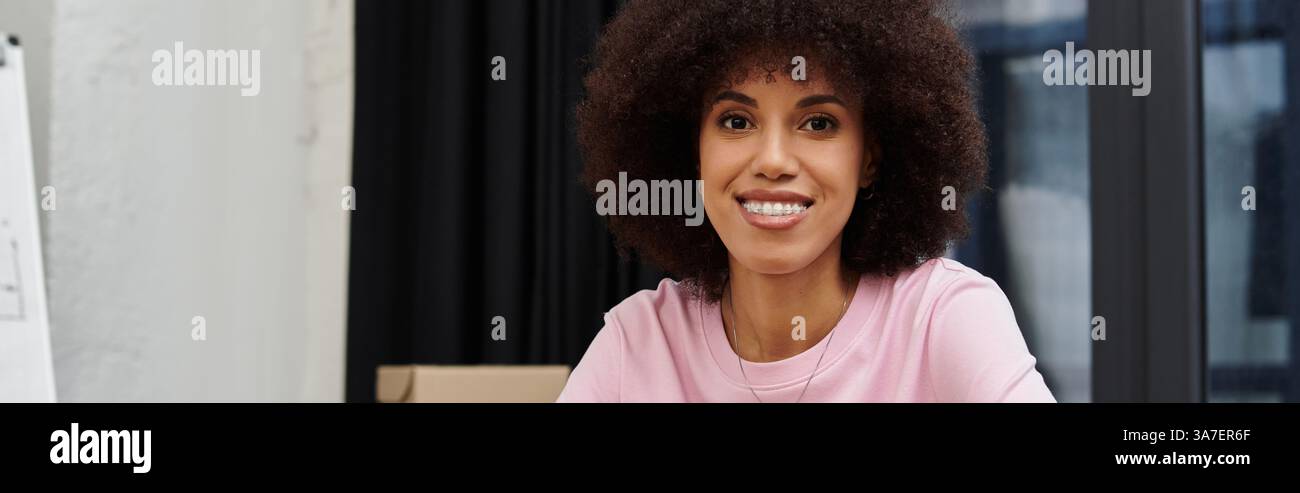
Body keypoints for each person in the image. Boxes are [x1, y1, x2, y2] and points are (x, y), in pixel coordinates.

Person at [558, 0, 1055, 402]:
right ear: (694, 153)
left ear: (870, 158)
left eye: (818, 123)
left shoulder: (940, 319)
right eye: (736, 121)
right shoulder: (642, 344)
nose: (773, 160)